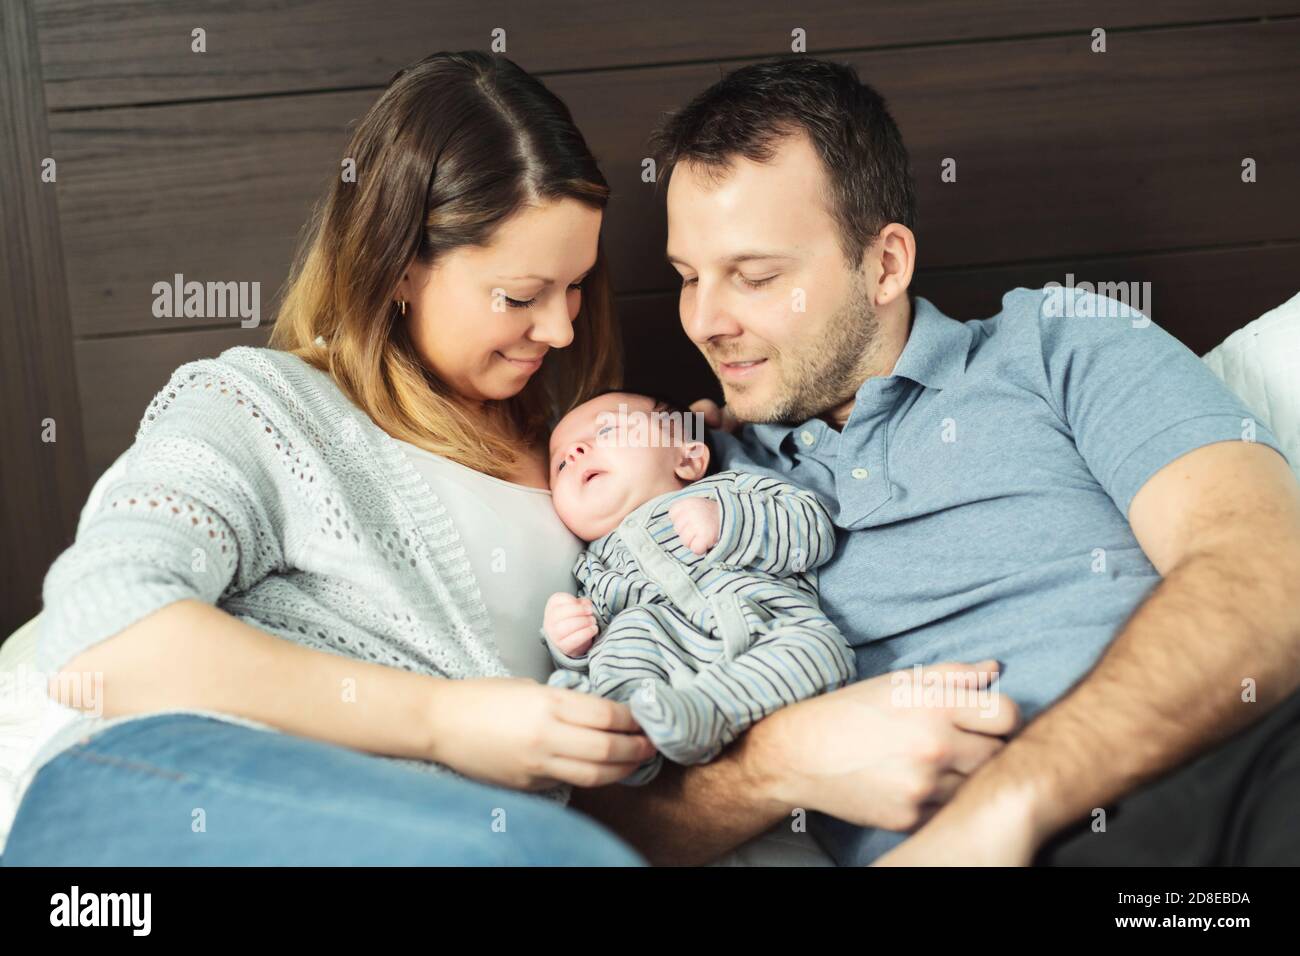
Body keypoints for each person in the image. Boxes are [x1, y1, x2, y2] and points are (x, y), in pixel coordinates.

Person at [567, 56, 1300, 867]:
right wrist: (782, 763)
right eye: (687, 277)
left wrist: (1004, 808)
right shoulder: (688, 489)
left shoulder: (1060, 344)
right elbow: (589, 828)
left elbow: (1267, 571)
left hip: (1236, 778)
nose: (704, 320)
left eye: (756, 276)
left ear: (884, 265)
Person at [4, 50, 651, 866]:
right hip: (170, 789)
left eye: (578, 286)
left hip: (433, 825)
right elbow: (98, 632)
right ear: (400, 268)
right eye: (520, 297)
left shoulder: (584, 456)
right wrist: (446, 723)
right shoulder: (262, 405)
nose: (559, 330)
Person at [540, 390, 855, 785]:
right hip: (667, 670)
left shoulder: (730, 490)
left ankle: (706, 711)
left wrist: (728, 522)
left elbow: (812, 531)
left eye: (607, 428)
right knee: (626, 637)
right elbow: (599, 641)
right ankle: (613, 725)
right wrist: (568, 643)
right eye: (559, 463)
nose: (576, 452)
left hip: (764, 631)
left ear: (687, 458)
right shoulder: (592, 567)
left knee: (821, 651)